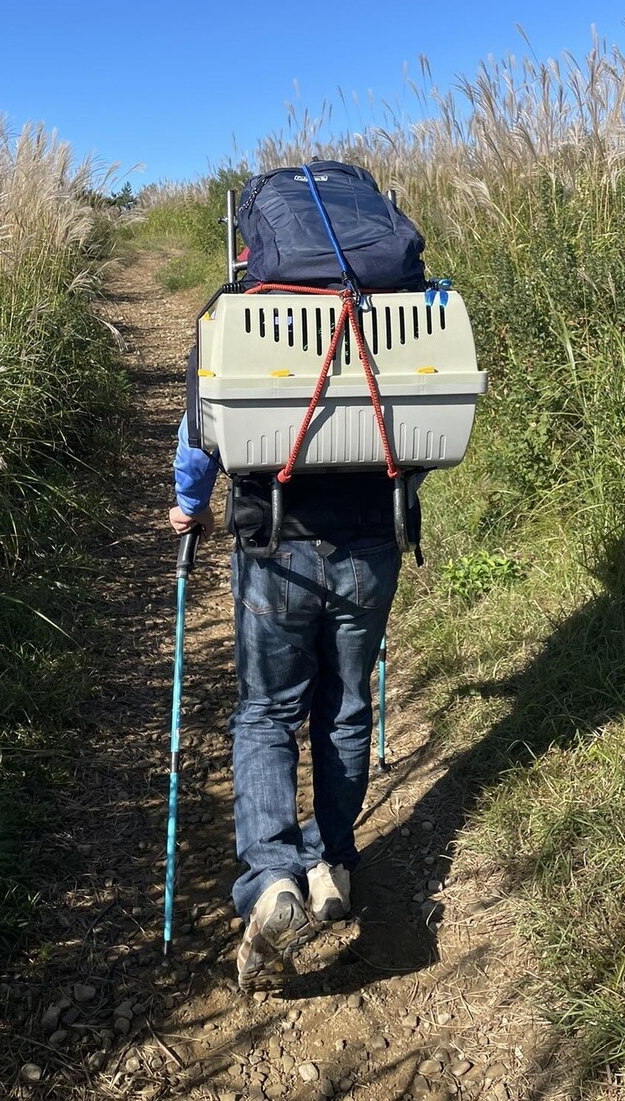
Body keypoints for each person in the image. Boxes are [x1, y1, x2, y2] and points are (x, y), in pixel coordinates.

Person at [168, 419, 413, 989]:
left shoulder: (225, 324)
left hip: (275, 538)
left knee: (267, 713)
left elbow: (201, 426)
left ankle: (274, 880)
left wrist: (191, 503)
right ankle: (332, 865)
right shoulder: (384, 326)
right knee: (347, 707)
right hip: (374, 537)